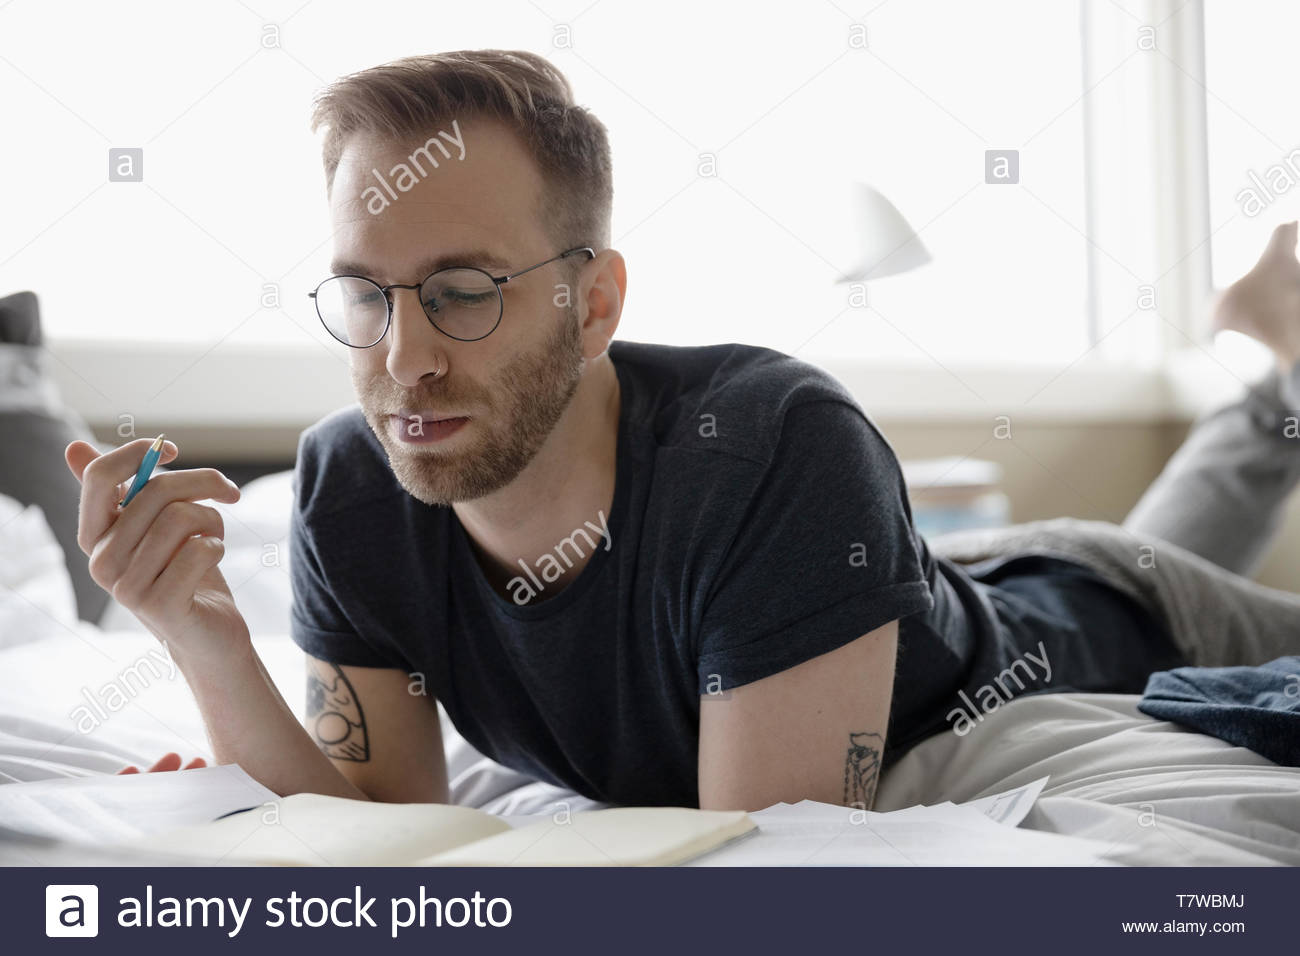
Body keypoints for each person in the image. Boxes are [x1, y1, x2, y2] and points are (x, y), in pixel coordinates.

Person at [66, 50, 1300, 813]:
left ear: (593, 300)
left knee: (1125, 570)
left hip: (1110, 612)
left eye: (463, 289)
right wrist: (201, 636)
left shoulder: (776, 443)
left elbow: (764, 859)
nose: (403, 358)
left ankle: (1272, 382)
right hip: (914, 589)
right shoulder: (352, 481)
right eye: (365, 292)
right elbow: (383, 813)